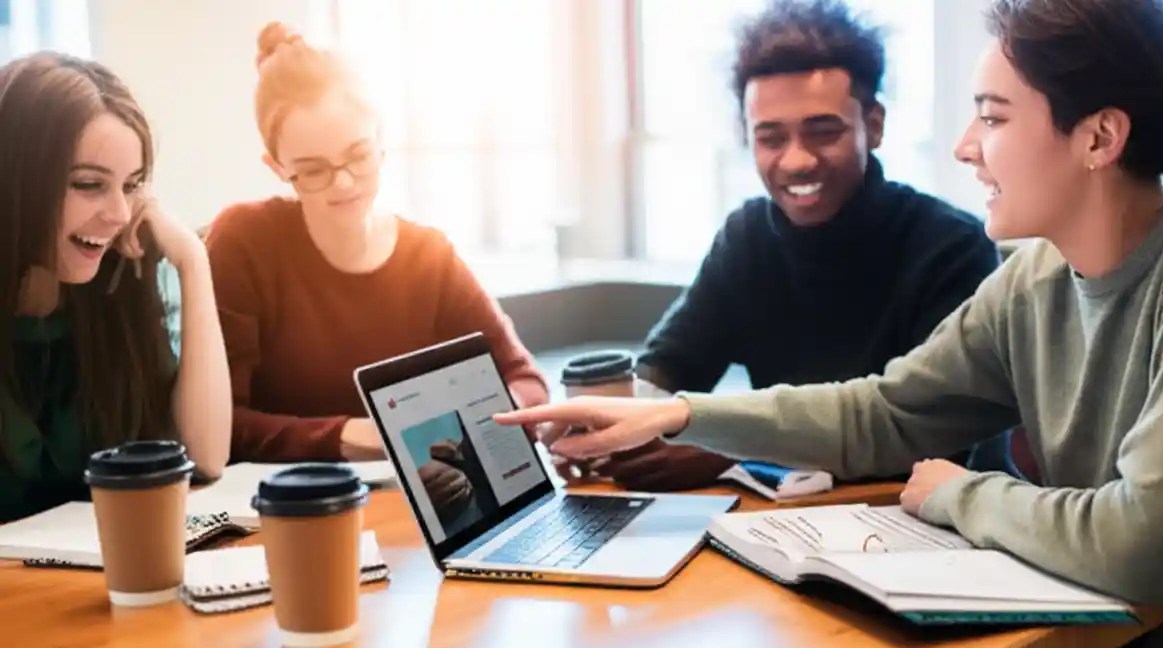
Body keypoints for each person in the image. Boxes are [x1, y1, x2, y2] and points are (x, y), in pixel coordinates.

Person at [498, 0, 1163, 648]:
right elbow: (884, 410)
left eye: (993, 117)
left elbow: (1144, 546)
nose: (967, 147)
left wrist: (957, 494)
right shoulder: (1034, 278)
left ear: (1100, 137)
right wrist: (674, 412)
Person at [596, 0, 1002, 491]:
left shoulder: (953, 247)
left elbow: (927, 438)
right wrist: (614, 424)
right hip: (784, 519)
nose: (796, 160)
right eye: (770, 138)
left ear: (873, 125)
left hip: (912, 520)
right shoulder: (747, 237)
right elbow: (665, 371)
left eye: (823, 131)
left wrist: (727, 451)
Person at [206, 23, 548, 463]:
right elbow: (219, 425)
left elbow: (525, 381)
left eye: (359, 156)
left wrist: (492, 418)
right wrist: (352, 435)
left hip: (424, 503)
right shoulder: (244, 242)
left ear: (382, 139)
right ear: (276, 167)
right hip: (294, 511)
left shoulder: (428, 256)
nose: (344, 183)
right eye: (313, 170)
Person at [0, 53, 231, 522]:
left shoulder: (122, 281)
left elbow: (206, 456)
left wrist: (192, 260)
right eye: (88, 184)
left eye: (131, 186)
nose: (120, 215)